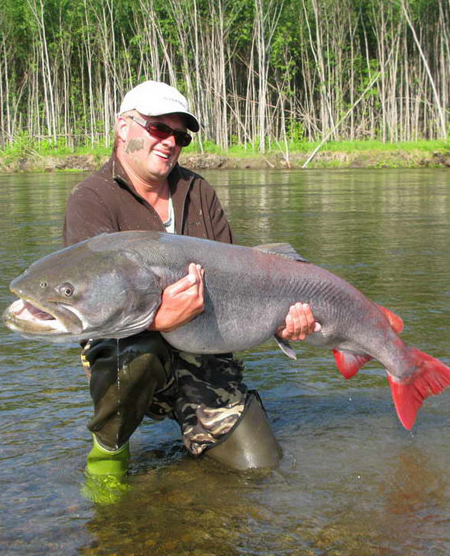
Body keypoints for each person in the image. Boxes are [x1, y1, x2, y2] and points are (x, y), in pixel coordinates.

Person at [63, 80, 318, 478]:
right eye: (158, 128)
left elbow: (242, 286)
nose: (170, 142)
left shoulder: (198, 191)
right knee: (137, 355)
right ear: (122, 127)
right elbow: (94, 310)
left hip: (206, 351)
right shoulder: (91, 199)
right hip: (128, 352)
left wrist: (282, 325)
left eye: (179, 135)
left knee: (259, 468)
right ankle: (108, 448)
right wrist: (160, 319)